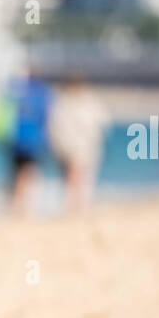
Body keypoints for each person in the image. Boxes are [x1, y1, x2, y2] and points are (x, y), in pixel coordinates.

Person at [47, 74, 109, 215]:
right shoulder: (85, 102)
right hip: (77, 146)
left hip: (73, 146)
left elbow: (53, 126)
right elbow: (102, 124)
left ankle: (75, 206)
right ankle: (76, 206)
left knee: (74, 178)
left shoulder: (62, 102)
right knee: (78, 178)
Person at [4, 71, 52, 216]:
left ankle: (16, 205)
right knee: (30, 173)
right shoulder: (43, 94)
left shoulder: (17, 93)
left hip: (15, 139)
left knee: (17, 174)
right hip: (33, 140)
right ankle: (26, 207)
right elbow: (46, 119)